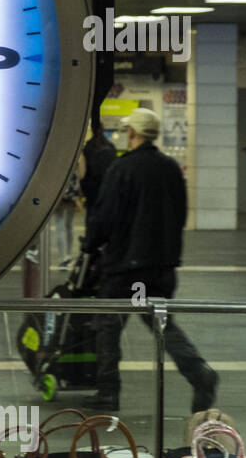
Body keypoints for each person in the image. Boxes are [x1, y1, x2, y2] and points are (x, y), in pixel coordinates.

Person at [83, 108, 218, 412]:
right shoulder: (171, 168)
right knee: (162, 324)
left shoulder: (122, 169)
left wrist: (90, 245)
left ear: (132, 134)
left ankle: (108, 392)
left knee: (108, 325)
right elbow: (180, 215)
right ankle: (199, 372)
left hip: (124, 268)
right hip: (162, 266)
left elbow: (105, 217)